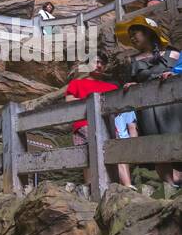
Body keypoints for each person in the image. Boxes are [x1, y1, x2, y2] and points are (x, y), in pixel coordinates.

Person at [115, 14, 182, 189]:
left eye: (135, 32)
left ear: (149, 32)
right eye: (130, 34)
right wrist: (133, 85)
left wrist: (175, 75)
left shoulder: (174, 54)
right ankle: (170, 188)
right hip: (147, 111)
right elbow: (131, 84)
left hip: (173, 108)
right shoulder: (133, 62)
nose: (131, 37)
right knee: (157, 149)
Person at [65, 55, 123, 188]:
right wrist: (90, 101)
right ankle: (90, 186)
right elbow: (68, 102)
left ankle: (114, 186)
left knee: (114, 153)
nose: (98, 65)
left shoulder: (111, 87)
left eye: (101, 63)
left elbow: (118, 108)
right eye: (95, 62)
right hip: (83, 124)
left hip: (108, 126)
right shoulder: (76, 84)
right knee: (87, 154)